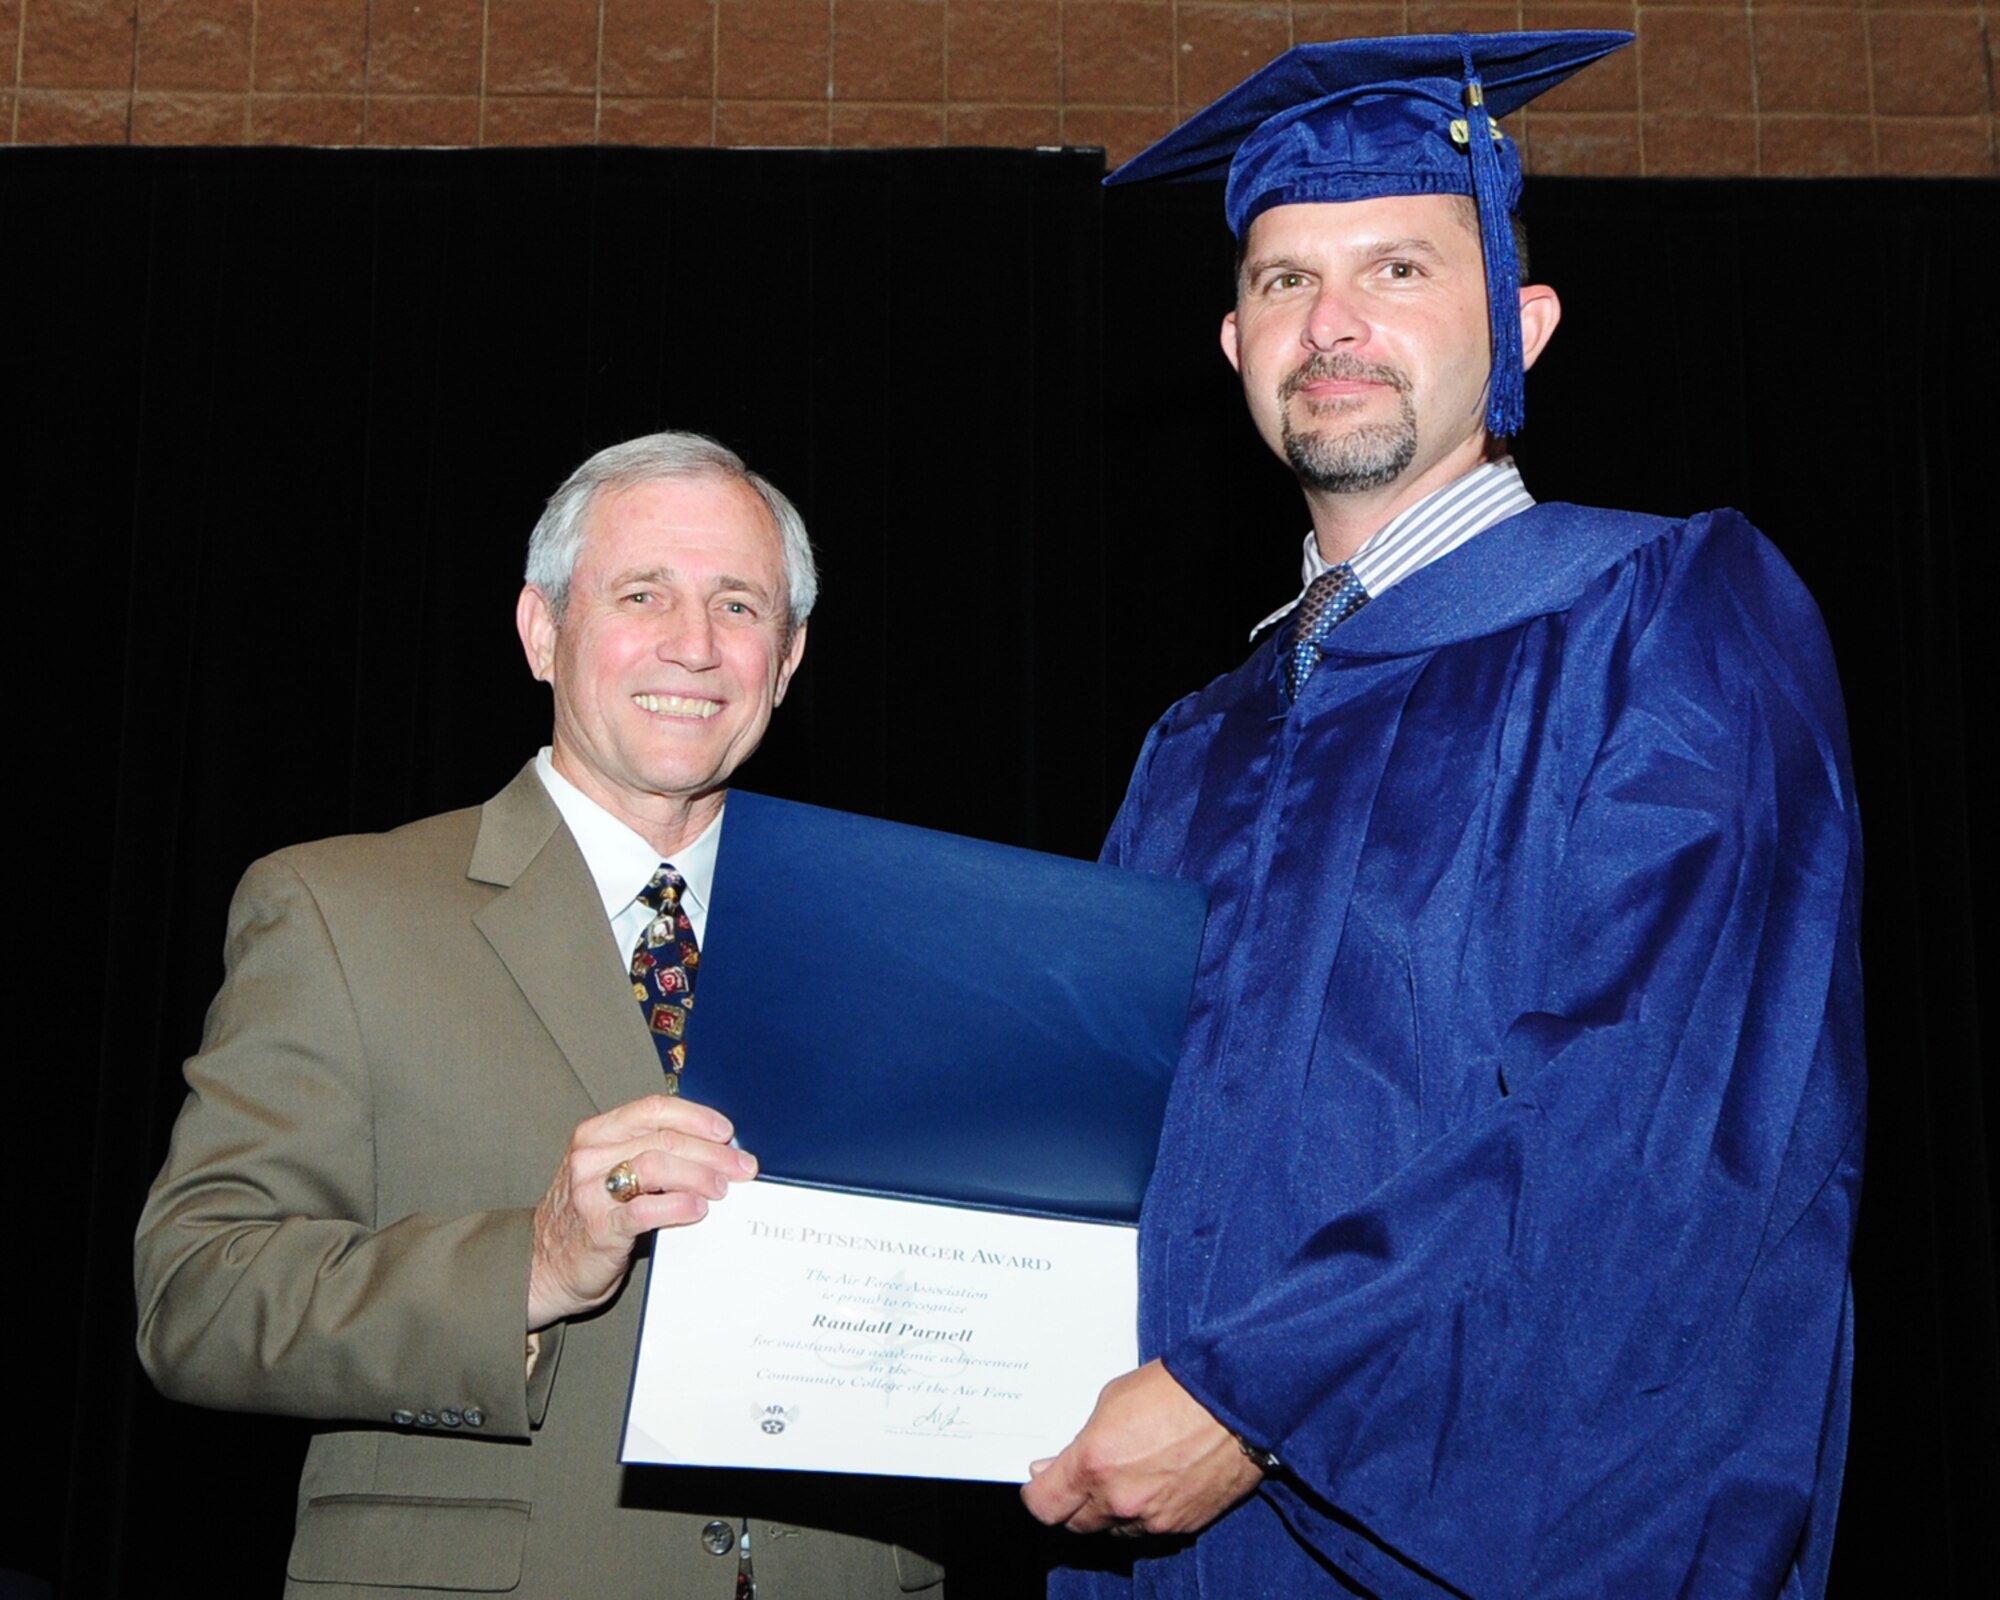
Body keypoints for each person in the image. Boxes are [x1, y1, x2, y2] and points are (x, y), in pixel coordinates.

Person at [1023, 31, 1865, 1600]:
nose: (1330, 323)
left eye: (1398, 267)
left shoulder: (1668, 618)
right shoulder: (1192, 746)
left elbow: (1654, 1111)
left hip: (1484, 1542)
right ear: (1231, 347)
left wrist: (1255, 1396)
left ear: (1523, 328)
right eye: (1283, 283)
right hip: (1161, 1536)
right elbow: (1093, 1137)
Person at [136, 432, 944, 1597]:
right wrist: (532, 1263)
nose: (693, 644)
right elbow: (194, 1297)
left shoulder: (895, 943)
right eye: (641, 593)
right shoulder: (335, 908)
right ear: (540, 630)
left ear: (788, 657)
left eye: (737, 603)